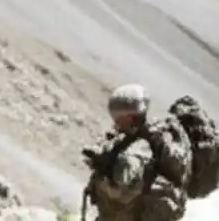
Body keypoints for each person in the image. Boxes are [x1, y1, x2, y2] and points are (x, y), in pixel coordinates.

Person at [82, 84, 191, 221]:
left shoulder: (135, 152)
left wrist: (104, 180)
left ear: (130, 117)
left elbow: (121, 187)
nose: (115, 119)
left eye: (118, 116)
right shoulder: (138, 135)